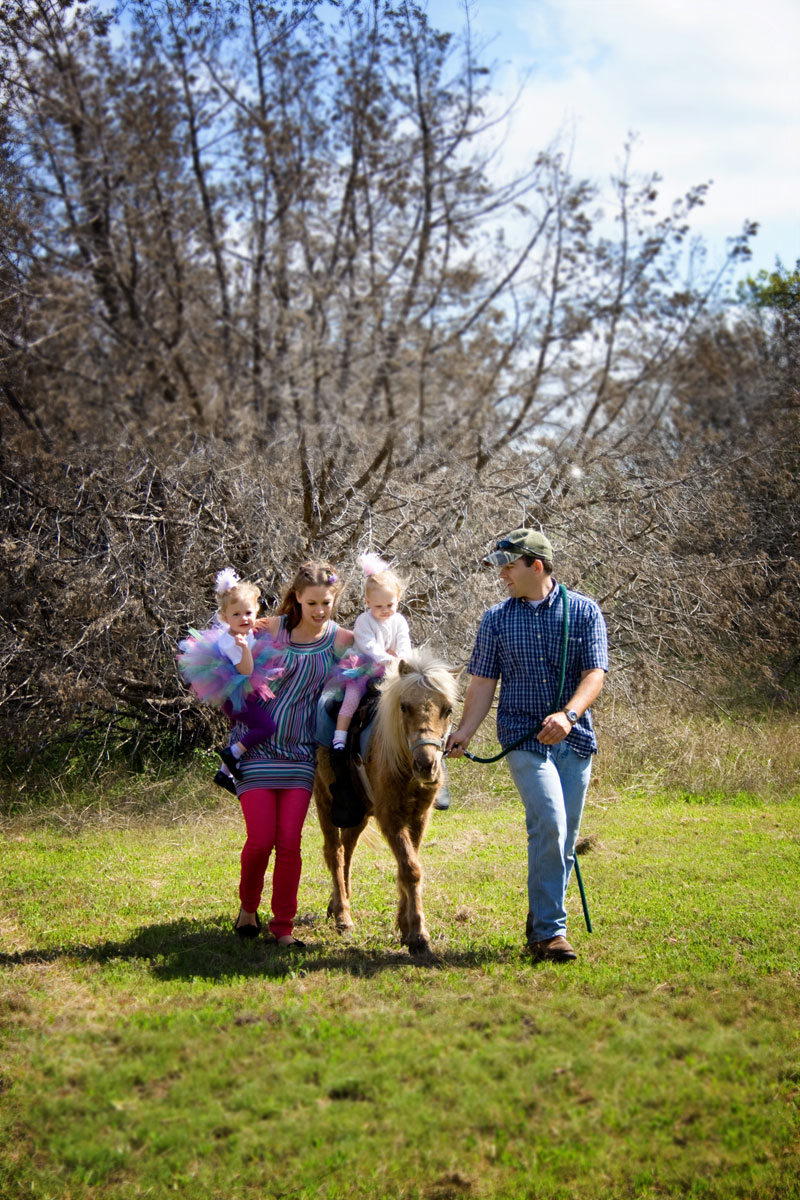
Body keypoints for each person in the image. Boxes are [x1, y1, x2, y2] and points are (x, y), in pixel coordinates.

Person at [446, 529, 608, 962]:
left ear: (536, 565)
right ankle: (550, 932)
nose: (501, 575)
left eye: (508, 566)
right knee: (550, 823)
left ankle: (541, 922)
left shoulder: (585, 611)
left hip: (575, 740)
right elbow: (483, 683)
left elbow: (595, 673)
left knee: (565, 837)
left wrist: (569, 715)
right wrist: (464, 731)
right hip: (522, 737)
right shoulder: (495, 619)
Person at [229, 560, 354, 946]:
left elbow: (378, 654)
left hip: (300, 752)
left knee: (289, 843)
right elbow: (231, 635)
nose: (319, 611)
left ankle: (283, 927)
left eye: (326, 603)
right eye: (312, 602)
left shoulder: (340, 639)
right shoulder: (272, 629)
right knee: (261, 838)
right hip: (257, 746)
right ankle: (247, 908)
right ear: (297, 597)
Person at [176, 569, 283, 796]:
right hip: (236, 696)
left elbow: (253, 624)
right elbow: (246, 670)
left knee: (237, 729)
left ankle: (224, 774)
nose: (244, 619)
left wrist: (255, 625)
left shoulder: (243, 629)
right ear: (224, 618)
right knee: (266, 726)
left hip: (242, 694)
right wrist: (244, 649)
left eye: (249, 613)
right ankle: (233, 753)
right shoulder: (232, 642)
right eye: (237, 615)